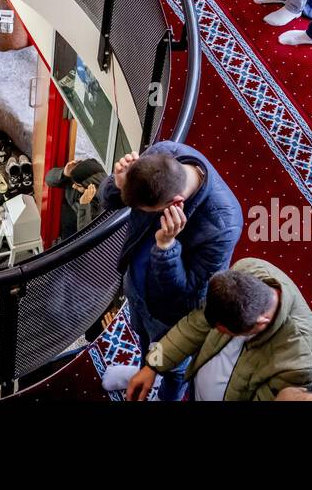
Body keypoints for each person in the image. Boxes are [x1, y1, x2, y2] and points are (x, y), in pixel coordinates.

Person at [100, 141, 243, 402]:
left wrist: (166, 247)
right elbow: (109, 201)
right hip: (138, 289)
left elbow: (189, 297)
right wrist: (116, 183)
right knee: (145, 343)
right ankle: (145, 369)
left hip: (168, 317)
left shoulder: (222, 225)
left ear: (174, 203)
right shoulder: (162, 152)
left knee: (174, 368)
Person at [125, 259, 312, 401]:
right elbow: (193, 326)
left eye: (227, 333)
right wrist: (152, 366)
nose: (215, 334)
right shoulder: (246, 271)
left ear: (260, 323)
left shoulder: (302, 366)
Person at [44, 157, 106, 239]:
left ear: (90, 187)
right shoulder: (78, 177)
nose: (73, 186)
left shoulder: (102, 204)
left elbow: (86, 236)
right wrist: (63, 173)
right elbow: (48, 179)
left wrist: (84, 205)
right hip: (67, 223)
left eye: (78, 186)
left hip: (76, 233)